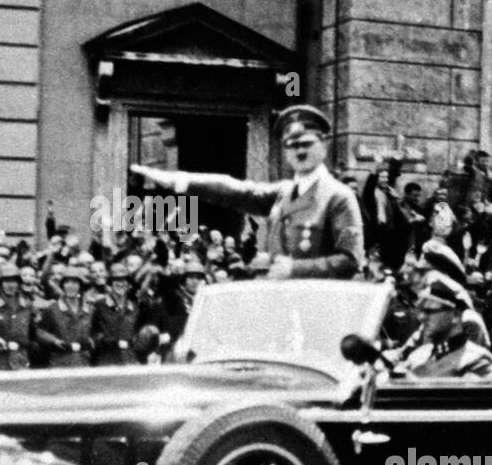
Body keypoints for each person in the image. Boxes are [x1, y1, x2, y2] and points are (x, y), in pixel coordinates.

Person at [130, 105, 363, 279]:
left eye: (306, 144)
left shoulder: (338, 196)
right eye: (292, 145)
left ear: (324, 145)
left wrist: (295, 268)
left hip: (320, 306)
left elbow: (350, 260)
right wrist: (180, 181)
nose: (299, 151)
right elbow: (236, 191)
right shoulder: (283, 193)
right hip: (281, 300)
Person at [396, 272, 492, 379]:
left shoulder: (476, 360)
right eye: (423, 311)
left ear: (456, 316)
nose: (421, 317)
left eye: (430, 311)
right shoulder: (418, 355)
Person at [35, 265, 94, 368]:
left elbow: (96, 330)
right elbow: (40, 331)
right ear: (63, 285)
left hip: (83, 359)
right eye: (67, 282)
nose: (71, 286)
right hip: (60, 360)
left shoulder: (90, 309)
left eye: (75, 283)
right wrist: (53, 341)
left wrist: (92, 340)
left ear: (81, 286)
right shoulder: (52, 309)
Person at [0, 262, 33, 370]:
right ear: (0, 283)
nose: (11, 285)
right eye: (6, 281)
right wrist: (1, 347)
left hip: (21, 360)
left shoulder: (27, 305)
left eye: (14, 281)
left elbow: (33, 333)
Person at [91, 262, 141, 366]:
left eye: (124, 280)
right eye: (116, 280)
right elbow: (93, 332)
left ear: (129, 284)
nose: (120, 284)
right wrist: (110, 342)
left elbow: (137, 332)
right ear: (110, 283)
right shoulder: (100, 305)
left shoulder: (134, 307)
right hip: (106, 359)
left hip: (130, 358)